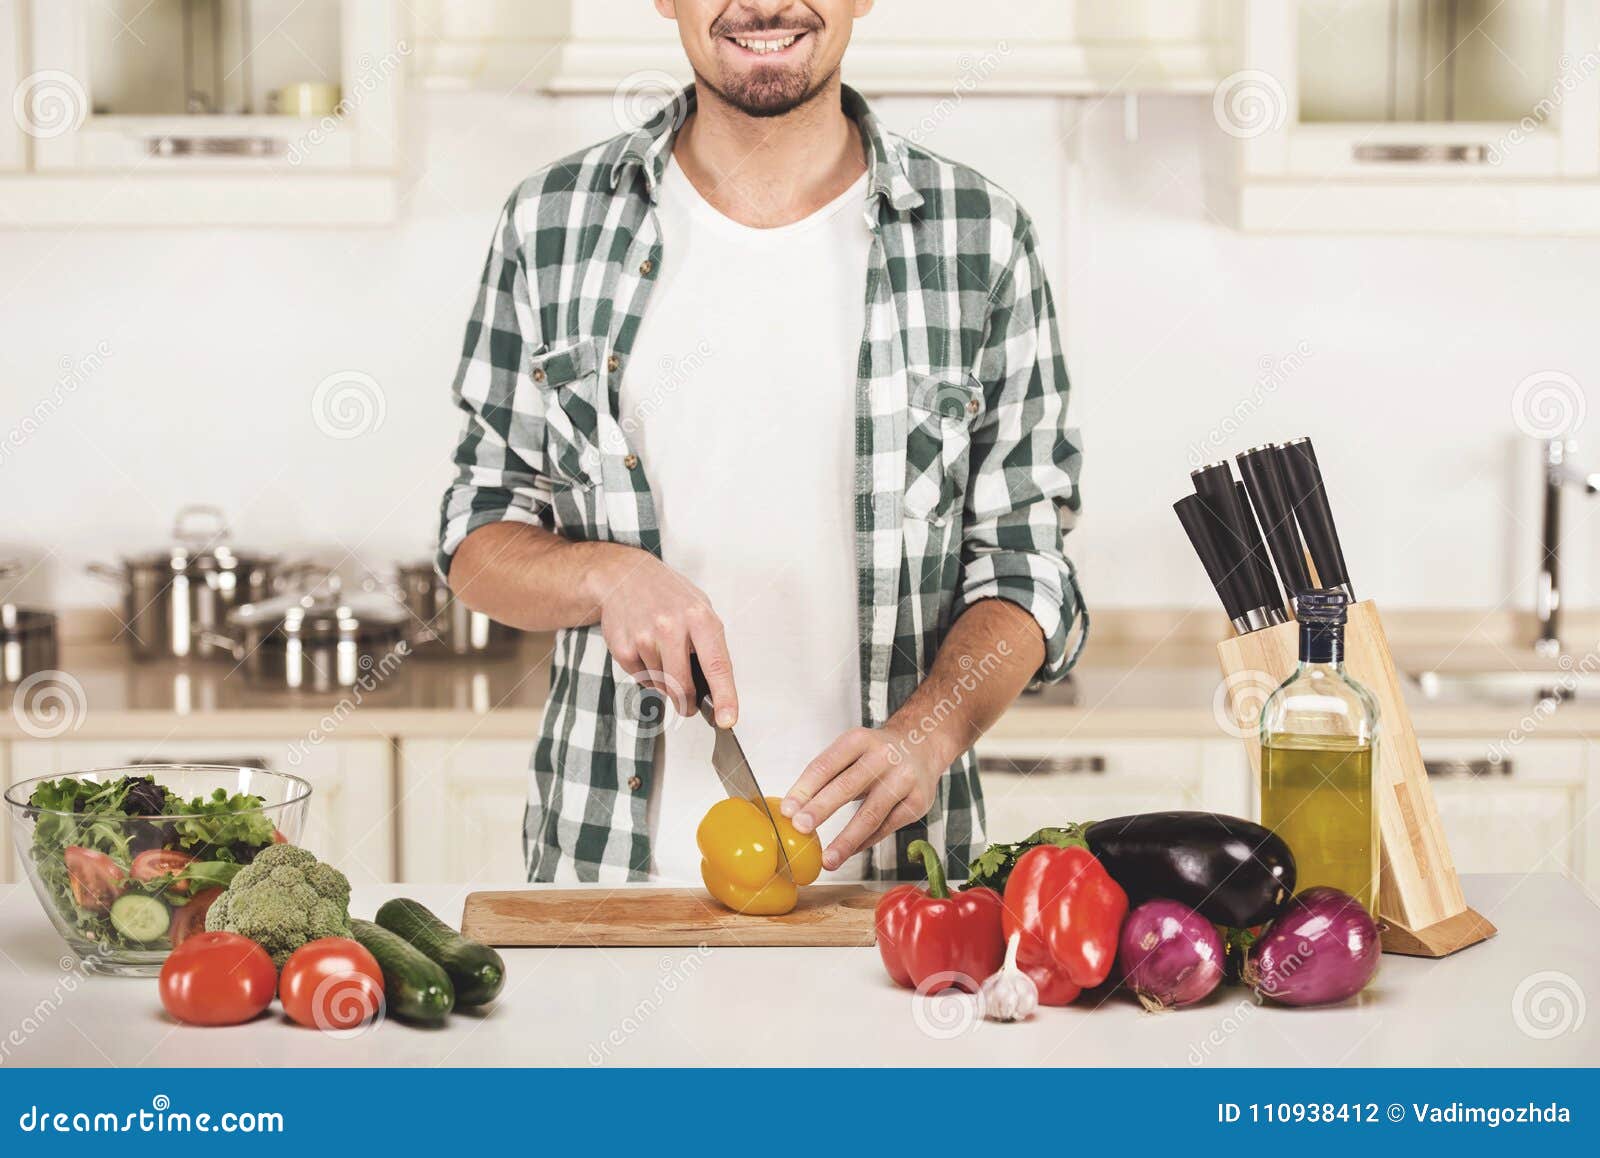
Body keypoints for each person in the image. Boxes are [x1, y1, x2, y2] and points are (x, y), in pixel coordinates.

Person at [438, 0, 1085, 885]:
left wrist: (929, 732)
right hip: (607, 884)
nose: (764, 4)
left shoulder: (982, 238)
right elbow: (476, 539)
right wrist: (607, 575)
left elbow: (1028, 569)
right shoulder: (549, 226)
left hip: (897, 896)